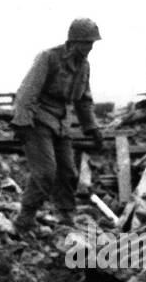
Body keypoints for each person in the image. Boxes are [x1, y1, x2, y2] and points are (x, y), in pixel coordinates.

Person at [11, 18, 104, 233]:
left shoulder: (84, 66)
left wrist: (92, 127)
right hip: (37, 120)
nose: (90, 48)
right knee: (45, 172)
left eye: (92, 43)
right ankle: (26, 217)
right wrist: (22, 122)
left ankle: (66, 216)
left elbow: (83, 99)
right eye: (86, 43)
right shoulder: (49, 58)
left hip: (61, 124)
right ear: (74, 41)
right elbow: (27, 91)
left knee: (68, 172)